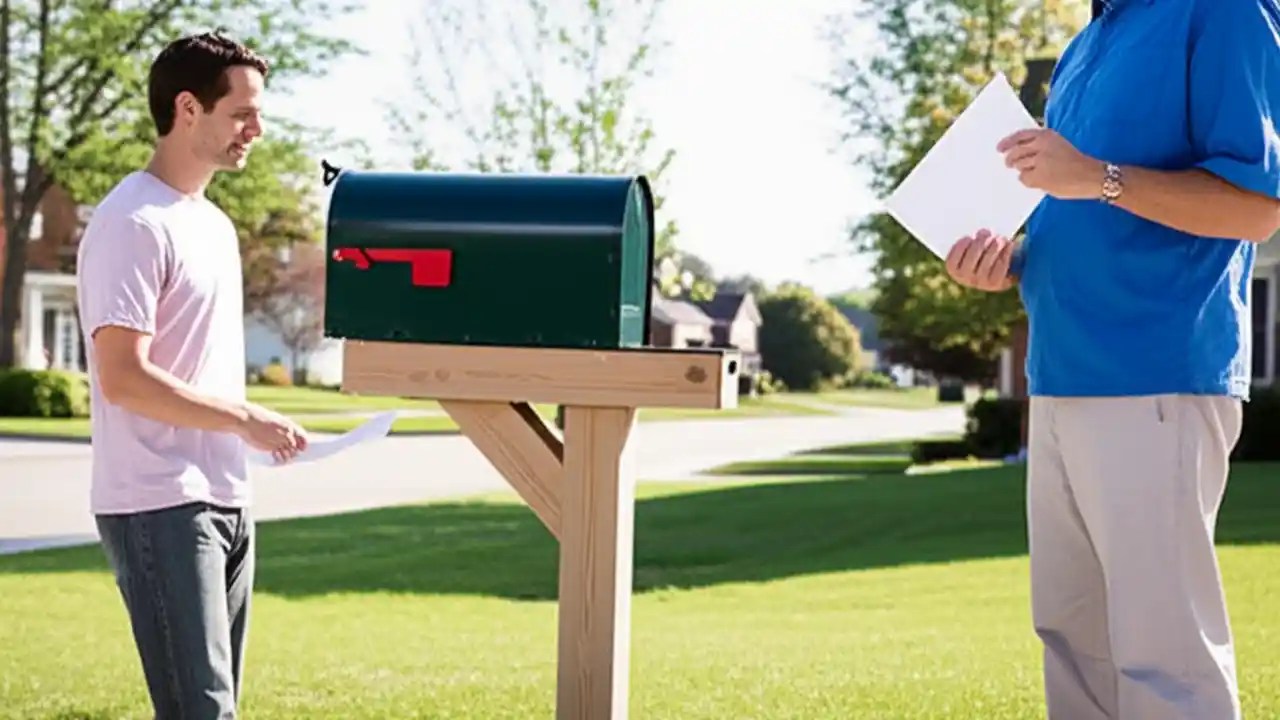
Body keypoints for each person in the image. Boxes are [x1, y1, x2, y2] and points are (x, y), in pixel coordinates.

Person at [944, 0, 1280, 718]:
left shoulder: (1222, 12)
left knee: (1167, 663)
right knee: (1074, 648)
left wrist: (1098, 175)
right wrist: (1007, 261)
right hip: (1060, 377)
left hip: (1158, 375)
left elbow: (1259, 207)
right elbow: (1075, 207)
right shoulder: (1084, 47)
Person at [76, 32, 308, 719]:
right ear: (187, 109)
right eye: (242, 113)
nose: (257, 130)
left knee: (213, 707)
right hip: (159, 501)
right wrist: (244, 420)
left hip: (225, 493)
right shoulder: (132, 222)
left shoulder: (211, 225)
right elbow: (123, 377)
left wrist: (246, 431)